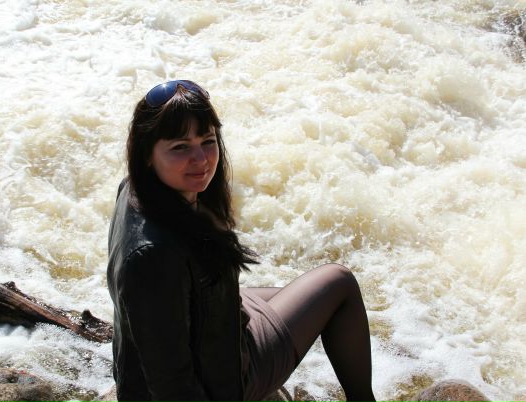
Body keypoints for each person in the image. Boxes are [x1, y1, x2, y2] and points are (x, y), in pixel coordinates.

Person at [106, 80, 376, 402]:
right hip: (224, 377)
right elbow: (172, 383)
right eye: (180, 147)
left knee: (311, 296)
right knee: (339, 283)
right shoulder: (154, 256)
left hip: (214, 324)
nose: (201, 159)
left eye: (208, 141)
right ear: (147, 154)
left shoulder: (135, 189)